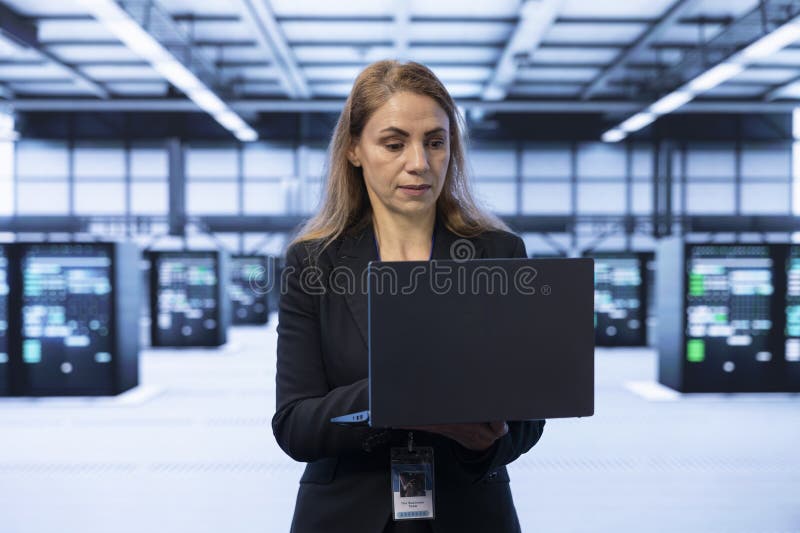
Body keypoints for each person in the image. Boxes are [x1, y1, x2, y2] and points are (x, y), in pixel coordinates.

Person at [272, 60, 545, 533]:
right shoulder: (313, 264)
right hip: (345, 515)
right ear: (355, 149)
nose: (418, 162)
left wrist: (481, 442)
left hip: (470, 512)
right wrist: (396, 394)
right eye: (394, 143)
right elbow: (294, 425)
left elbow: (528, 417)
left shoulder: (499, 254)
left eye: (435, 142)